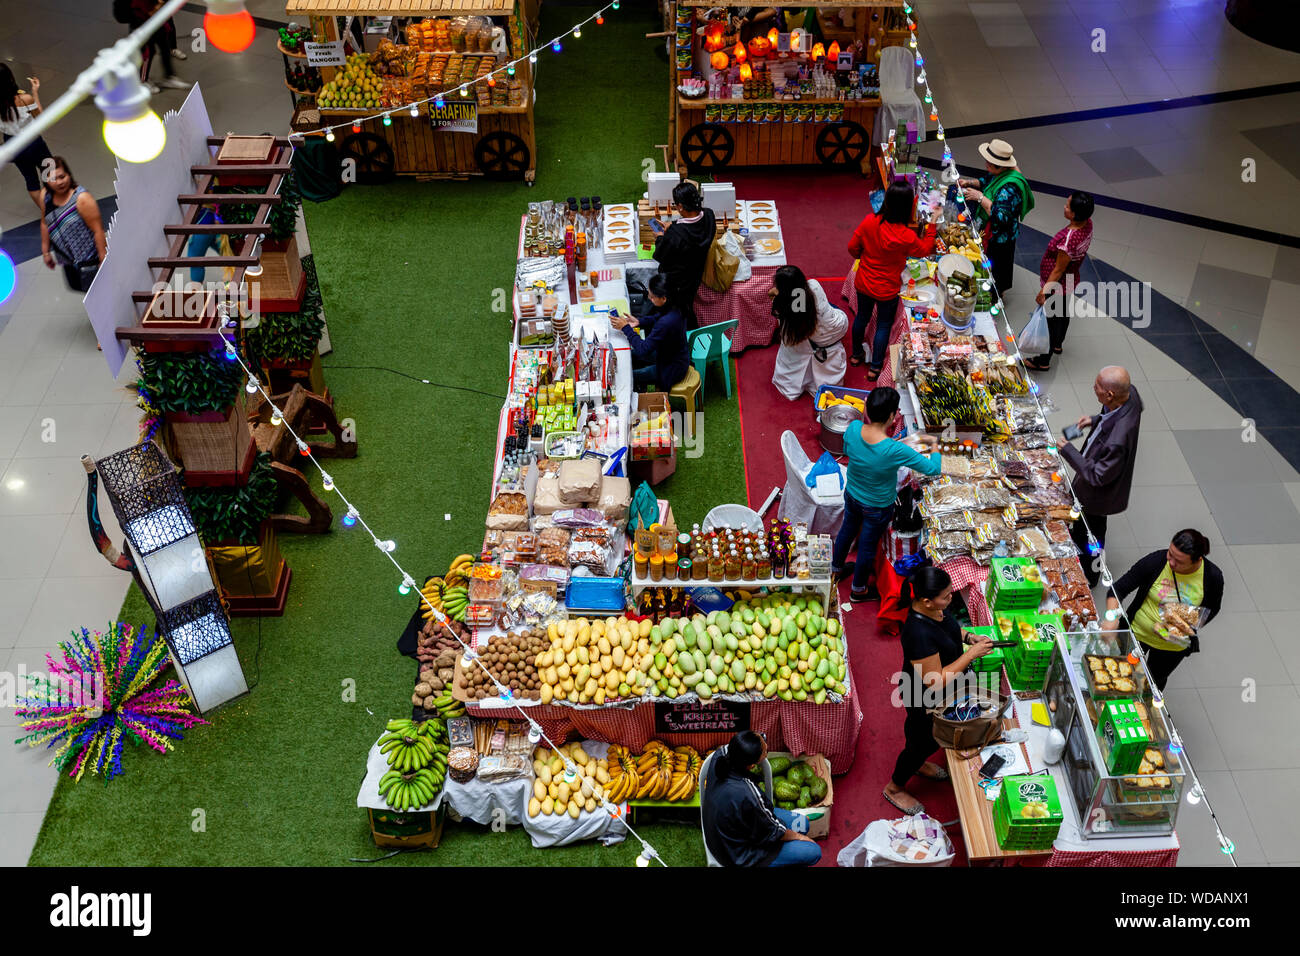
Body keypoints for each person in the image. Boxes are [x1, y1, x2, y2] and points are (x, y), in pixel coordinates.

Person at [886, 566, 993, 815]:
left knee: (922, 738)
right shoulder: (917, 633)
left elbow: (952, 630)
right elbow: (935, 680)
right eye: (945, 596)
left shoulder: (937, 611)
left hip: (942, 693)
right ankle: (895, 787)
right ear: (926, 601)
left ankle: (920, 763)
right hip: (924, 696)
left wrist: (969, 638)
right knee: (921, 742)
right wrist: (972, 655)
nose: (950, 598)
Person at [831, 386, 941, 602]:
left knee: (847, 529)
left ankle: (835, 570)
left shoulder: (853, 429)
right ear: (892, 416)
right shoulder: (894, 449)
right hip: (877, 506)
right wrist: (934, 445)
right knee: (867, 545)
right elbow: (933, 469)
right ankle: (858, 590)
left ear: (867, 409)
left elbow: (847, 448)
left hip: (852, 493)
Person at [1103, 530, 1223, 691]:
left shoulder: (1212, 577)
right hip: (1136, 632)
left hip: (1172, 647)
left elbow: (1212, 609)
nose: (1171, 562)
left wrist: (1176, 625)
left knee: (1151, 683)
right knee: (1116, 672)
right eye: (1170, 553)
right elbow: (1118, 589)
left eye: (1178, 561)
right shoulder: (1157, 560)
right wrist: (1111, 617)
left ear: (1197, 560)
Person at [1059, 366, 1143, 588]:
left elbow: (1097, 476)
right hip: (1090, 483)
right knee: (1077, 521)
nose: (1093, 388)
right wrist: (1096, 420)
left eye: (1097, 387)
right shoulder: (1130, 395)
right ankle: (1071, 546)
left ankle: (1089, 574)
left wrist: (1068, 450)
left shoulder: (1118, 439)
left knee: (1091, 533)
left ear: (1110, 395)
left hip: (1097, 495)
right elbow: (1111, 415)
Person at [847, 180, 937, 379]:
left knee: (861, 318)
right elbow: (925, 250)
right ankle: (875, 367)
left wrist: (864, 256)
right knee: (883, 325)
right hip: (887, 289)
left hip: (864, 282)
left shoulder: (870, 221)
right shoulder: (907, 235)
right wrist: (932, 226)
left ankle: (855, 355)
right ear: (908, 208)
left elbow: (852, 247)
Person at [700, 730, 821, 866]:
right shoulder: (748, 794)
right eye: (765, 751)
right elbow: (774, 831)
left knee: (803, 823)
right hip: (738, 855)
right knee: (813, 851)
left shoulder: (721, 754)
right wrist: (799, 837)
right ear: (752, 765)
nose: (765, 743)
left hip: (721, 832)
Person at [1024, 191, 1094, 371]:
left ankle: (1043, 359)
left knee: (1050, 320)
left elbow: (1058, 270)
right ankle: (1058, 343)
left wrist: (1044, 292)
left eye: (1068, 206)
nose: (1064, 207)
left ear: (1075, 214)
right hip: (1072, 277)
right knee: (1062, 313)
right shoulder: (1088, 224)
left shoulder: (1068, 239)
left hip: (1057, 284)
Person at [958, 139, 1034, 296]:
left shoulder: (1010, 187)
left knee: (997, 268)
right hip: (993, 234)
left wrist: (980, 198)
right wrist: (968, 183)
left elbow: (1001, 217)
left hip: (1001, 238)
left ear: (1000, 166)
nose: (986, 164)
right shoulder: (1000, 173)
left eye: (990, 163)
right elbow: (987, 180)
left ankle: (994, 296)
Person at [770, 265, 848, 401]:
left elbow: (788, 329)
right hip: (835, 328)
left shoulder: (785, 307)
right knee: (832, 306)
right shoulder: (814, 285)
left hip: (814, 338)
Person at [650, 182, 715, 327]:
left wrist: (661, 237)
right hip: (696, 275)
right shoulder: (709, 215)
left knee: (677, 311)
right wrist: (674, 226)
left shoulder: (675, 235)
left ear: (680, 207)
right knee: (687, 306)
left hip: (677, 282)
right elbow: (693, 227)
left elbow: (660, 255)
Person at [610, 273, 688, 392]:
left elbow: (643, 349)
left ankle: (640, 387)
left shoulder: (666, 323)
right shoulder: (675, 306)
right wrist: (639, 321)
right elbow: (657, 317)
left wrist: (626, 328)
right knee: (630, 355)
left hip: (671, 369)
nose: (649, 299)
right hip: (671, 355)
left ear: (663, 298)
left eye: (652, 297)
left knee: (627, 377)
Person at [40, 157, 107, 294]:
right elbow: (44, 222)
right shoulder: (45, 196)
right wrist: (46, 252)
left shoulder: (82, 199)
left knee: (97, 294)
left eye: (62, 177)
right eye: (53, 179)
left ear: (69, 174)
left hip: (89, 262)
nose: (59, 182)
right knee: (77, 286)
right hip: (67, 260)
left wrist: (103, 261)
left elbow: (98, 231)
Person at [0, 65, 52, 215]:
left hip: (13, 145)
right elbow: (41, 118)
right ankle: (61, 208)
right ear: (10, 79)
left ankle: (47, 213)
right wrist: (34, 92)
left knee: (31, 181)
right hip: (33, 142)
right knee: (49, 172)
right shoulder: (24, 99)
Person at [131, 0, 190, 93]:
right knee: (148, 52)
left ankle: (169, 77)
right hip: (144, 23)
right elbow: (147, 10)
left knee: (165, 47)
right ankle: (143, 80)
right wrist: (160, 5)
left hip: (157, 21)